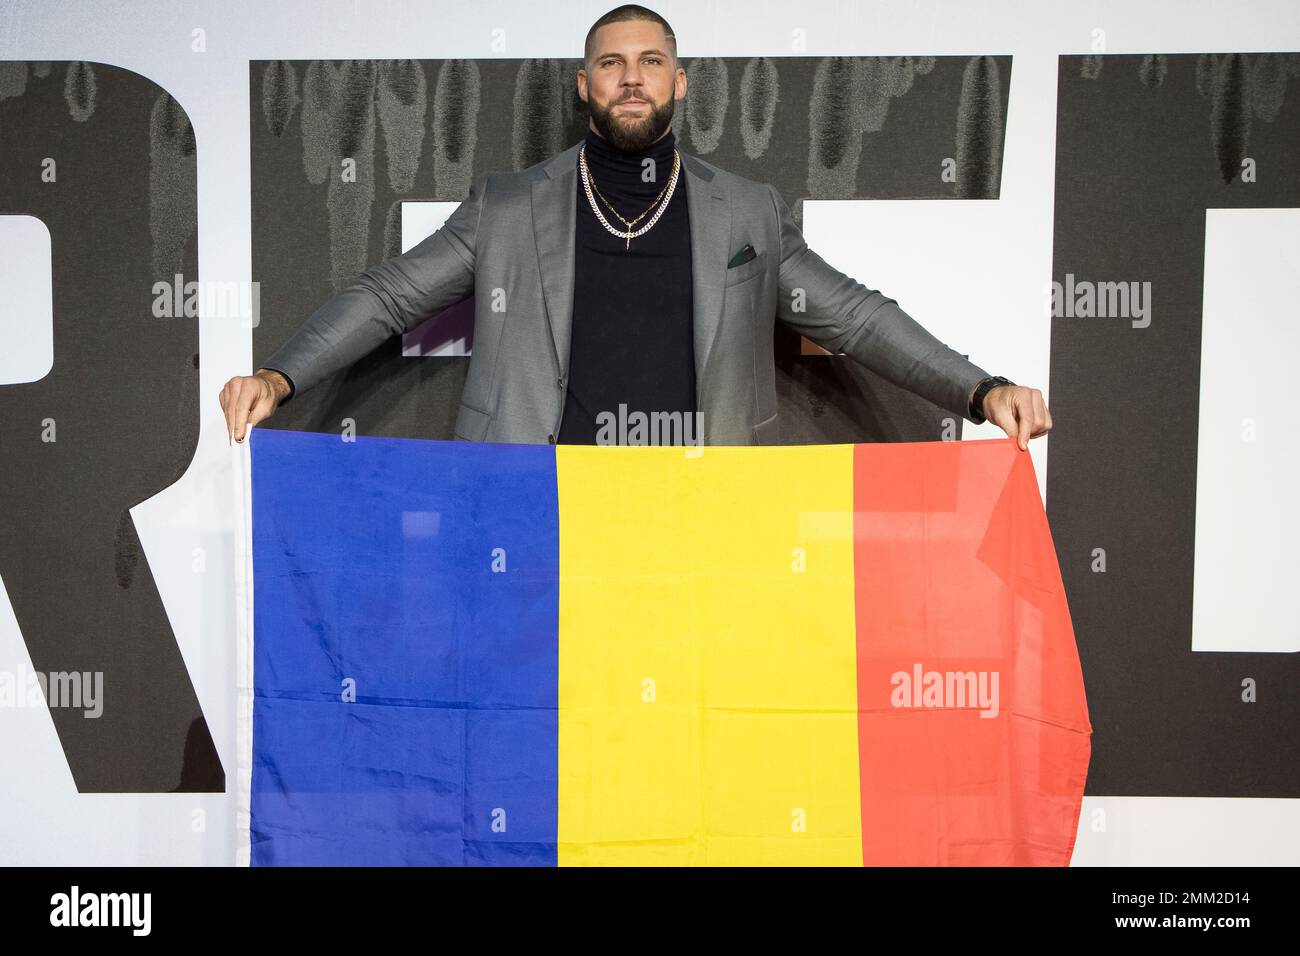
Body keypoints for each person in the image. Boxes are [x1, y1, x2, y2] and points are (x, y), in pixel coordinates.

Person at [221, 4, 1051, 449]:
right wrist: (279, 377)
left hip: (691, 513)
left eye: (650, 62)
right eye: (612, 64)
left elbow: (859, 317)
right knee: (542, 730)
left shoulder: (748, 212)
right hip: (537, 512)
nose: (631, 78)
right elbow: (388, 297)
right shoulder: (508, 206)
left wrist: (982, 391)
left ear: (680, 83)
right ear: (585, 86)